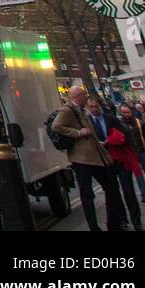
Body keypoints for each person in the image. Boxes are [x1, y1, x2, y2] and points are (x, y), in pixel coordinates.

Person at [52, 86, 128, 231]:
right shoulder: (67, 109)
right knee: (88, 196)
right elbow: (57, 126)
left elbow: (91, 134)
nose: (86, 98)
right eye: (84, 96)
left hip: (94, 157)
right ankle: (95, 227)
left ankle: (113, 224)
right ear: (77, 96)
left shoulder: (81, 110)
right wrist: (78, 133)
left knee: (111, 189)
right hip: (82, 160)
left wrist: (104, 154)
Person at [104, 107, 145, 230]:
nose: (94, 109)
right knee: (114, 193)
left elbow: (126, 137)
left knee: (129, 191)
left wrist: (109, 141)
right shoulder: (89, 121)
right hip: (107, 162)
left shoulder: (111, 119)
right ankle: (122, 219)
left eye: (96, 106)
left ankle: (136, 221)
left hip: (122, 161)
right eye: (92, 107)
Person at [116, 102, 145, 205]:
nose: (126, 114)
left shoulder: (139, 122)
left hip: (143, 151)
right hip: (132, 153)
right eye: (124, 112)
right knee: (139, 175)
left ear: (132, 112)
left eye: (128, 112)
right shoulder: (120, 124)